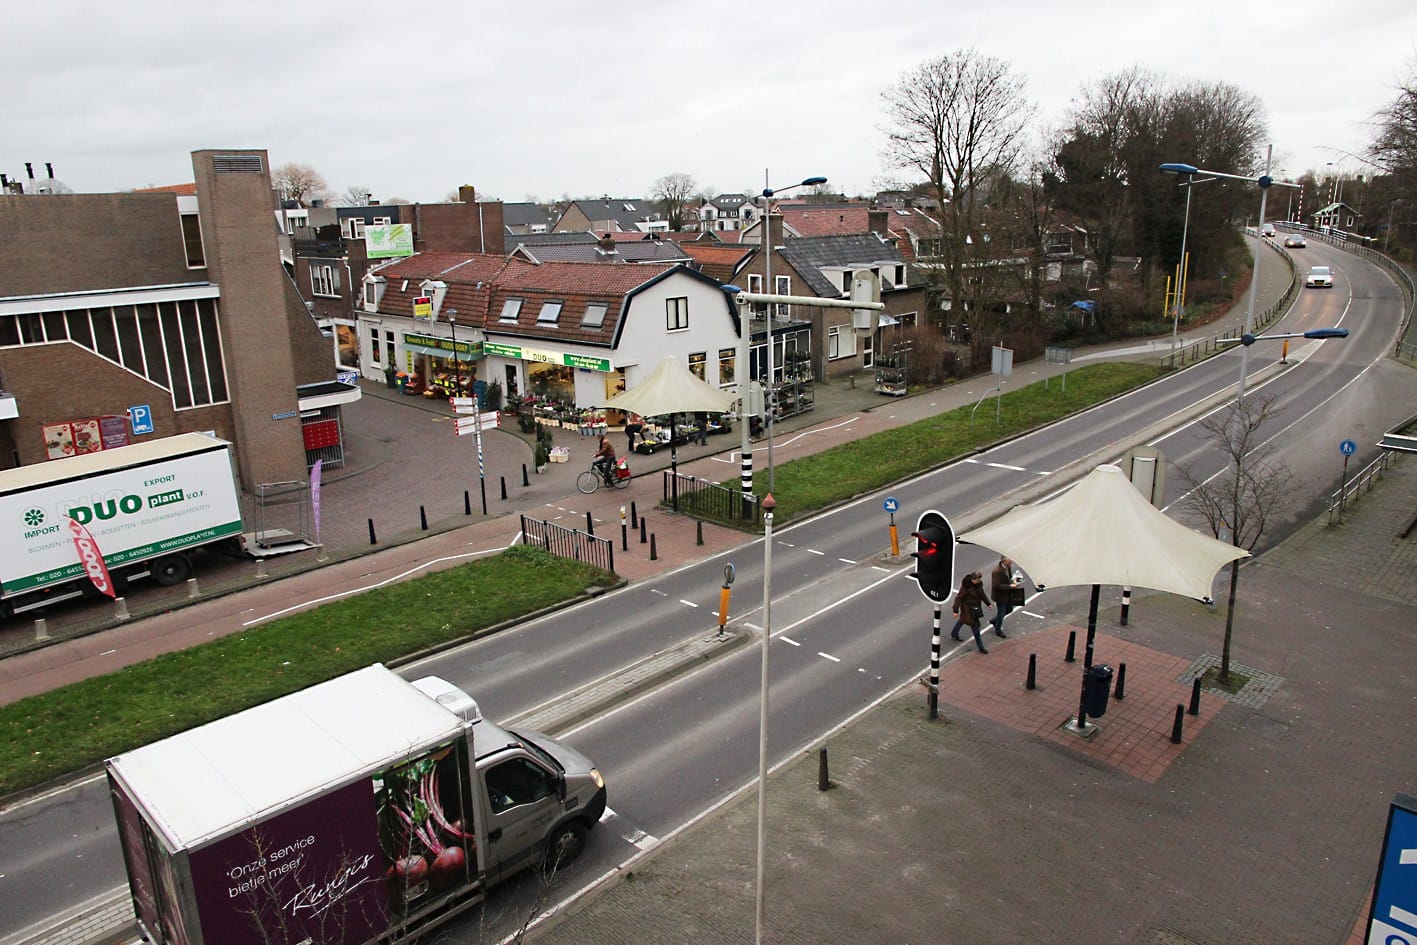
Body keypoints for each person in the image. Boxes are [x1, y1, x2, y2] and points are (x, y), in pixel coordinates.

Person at [949, 571, 992, 653]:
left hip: (975, 608)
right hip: (968, 610)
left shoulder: (978, 585)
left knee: (962, 620)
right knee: (975, 626)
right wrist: (955, 610)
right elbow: (959, 598)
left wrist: (988, 603)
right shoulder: (966, 587)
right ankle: (981, 647)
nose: (979, 580)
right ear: (973, 579)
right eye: (978, 579)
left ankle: (954, 633)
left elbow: (982, 594)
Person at [990, 555, 1021, 639]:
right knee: (1001, 612)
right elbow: (996, 586)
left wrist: (1014, 580)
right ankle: (998, 629)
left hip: (1007, 594)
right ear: (1004, 561)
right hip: (1000, 596)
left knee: (1009, 609)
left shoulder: (1008, 567)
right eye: (1009, 561)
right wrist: (1010, 586)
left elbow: (1009, 577)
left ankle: (994, 620)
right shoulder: (996, 572)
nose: (1011, 562)